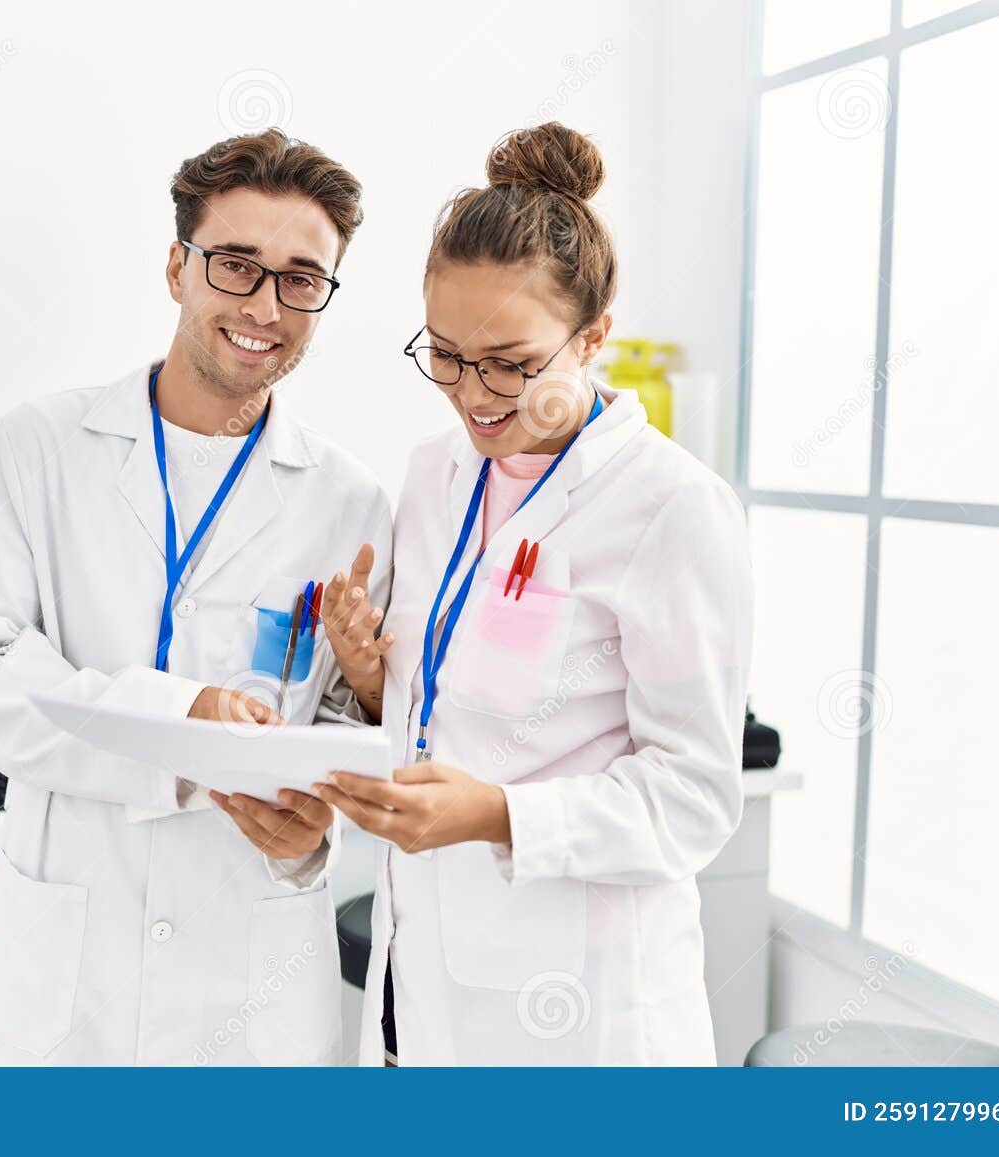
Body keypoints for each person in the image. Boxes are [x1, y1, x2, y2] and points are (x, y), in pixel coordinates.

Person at [0, 128, 392, 1065]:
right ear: (177, 267)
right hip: (66, 965)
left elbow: (351, 724)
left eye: (302, 278)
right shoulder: (41, 450)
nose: (267, 304)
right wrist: (180, 726)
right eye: (236, 265)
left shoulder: (353, 501)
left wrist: (311, 829)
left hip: (250, 960)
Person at [314, 123, 754, 1065]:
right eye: (444, 353)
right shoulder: (437, 474)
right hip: (424, 983)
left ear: (594, 336)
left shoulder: (671, 509)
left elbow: (697, 797)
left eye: (511, 362)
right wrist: (370, 680)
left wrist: (499, 815)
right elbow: (454, 709)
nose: (473, 393)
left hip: (584, 1014)